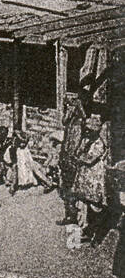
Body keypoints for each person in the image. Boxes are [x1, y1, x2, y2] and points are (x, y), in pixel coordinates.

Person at [56, 94, 86, 226]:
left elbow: (64, 120)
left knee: (69, 186)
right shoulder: (75, 124)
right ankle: (72, 213)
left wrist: (67, 157)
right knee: (68, 186)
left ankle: (71, 215)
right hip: (69, 156)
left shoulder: (76, 126)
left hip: (71, 159)